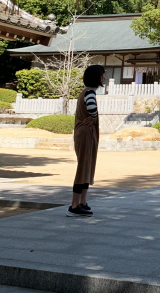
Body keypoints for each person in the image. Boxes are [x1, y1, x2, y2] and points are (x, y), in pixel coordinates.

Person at [68, 64, 104, 217]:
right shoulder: (89, 93)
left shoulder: (87, 92)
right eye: (102, 75)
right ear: (97, 77)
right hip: (85, 133)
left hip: (86, 132)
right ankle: (74, 205)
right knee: (83, 167)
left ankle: (83, 201)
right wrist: (93, 117)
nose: (104, 77)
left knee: (87, 166)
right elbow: (92, 110)